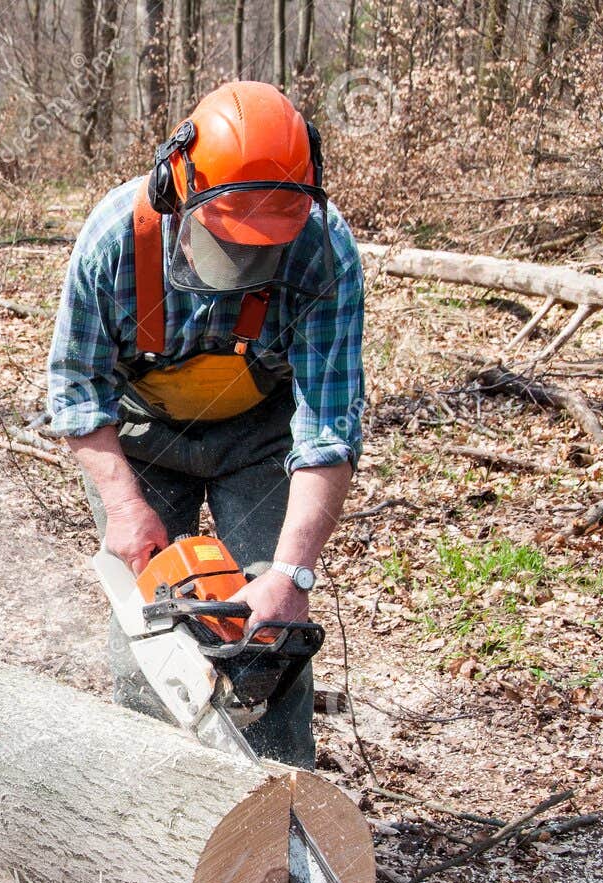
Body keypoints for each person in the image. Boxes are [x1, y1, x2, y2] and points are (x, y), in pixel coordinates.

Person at [47, 80, 365, 770]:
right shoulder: (113, 242)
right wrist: (123, 503)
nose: (248, 267)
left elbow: (329, 425)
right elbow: (75, 388)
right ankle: (144, 792)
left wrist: (293, 574)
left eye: (264, 248)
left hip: (259, 438)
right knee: (150, 625)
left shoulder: (322, 254)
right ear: (175, 190)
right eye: (230, 243)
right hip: (141, 437)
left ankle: (282, 784)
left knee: (271, 621)